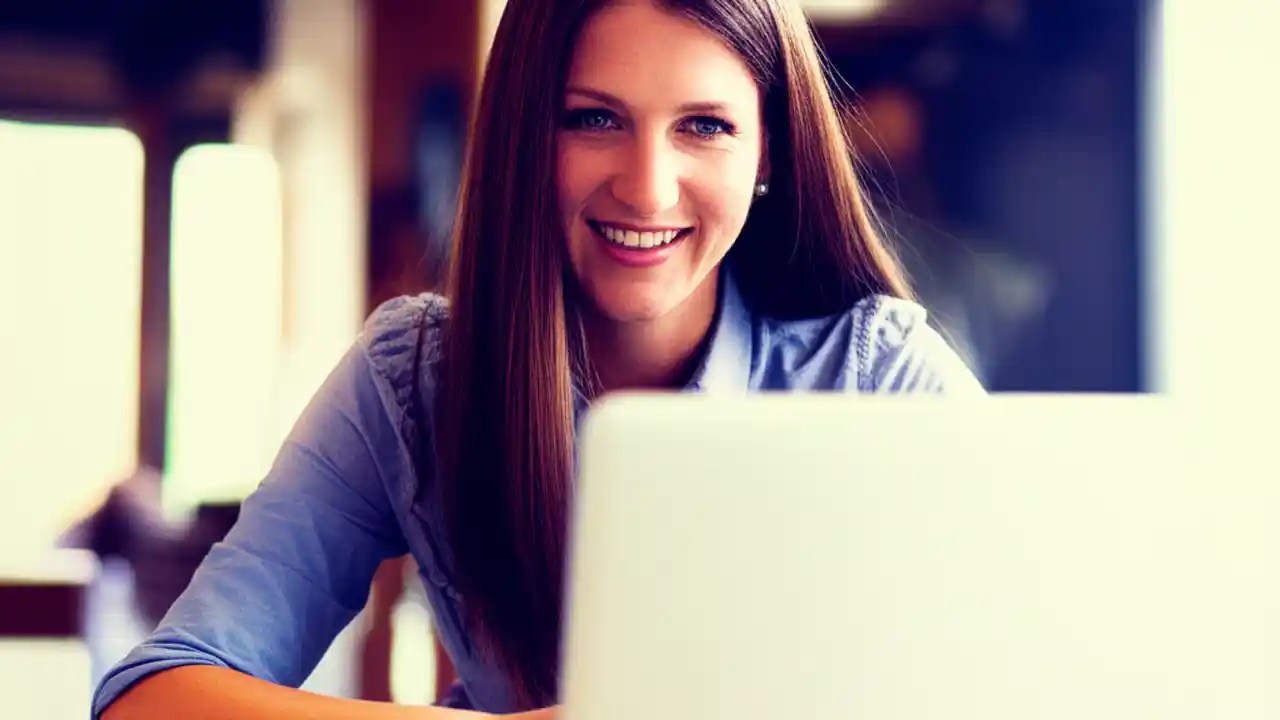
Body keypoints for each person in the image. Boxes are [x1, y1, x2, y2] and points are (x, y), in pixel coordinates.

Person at [93, 0, 981, 718]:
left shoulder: (877, 378)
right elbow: (152, 695)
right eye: (593, 118)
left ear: (768, 155)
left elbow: (1031, 665)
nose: (646, 186)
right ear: (527, 138)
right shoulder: (412, 378)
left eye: (704, 126)